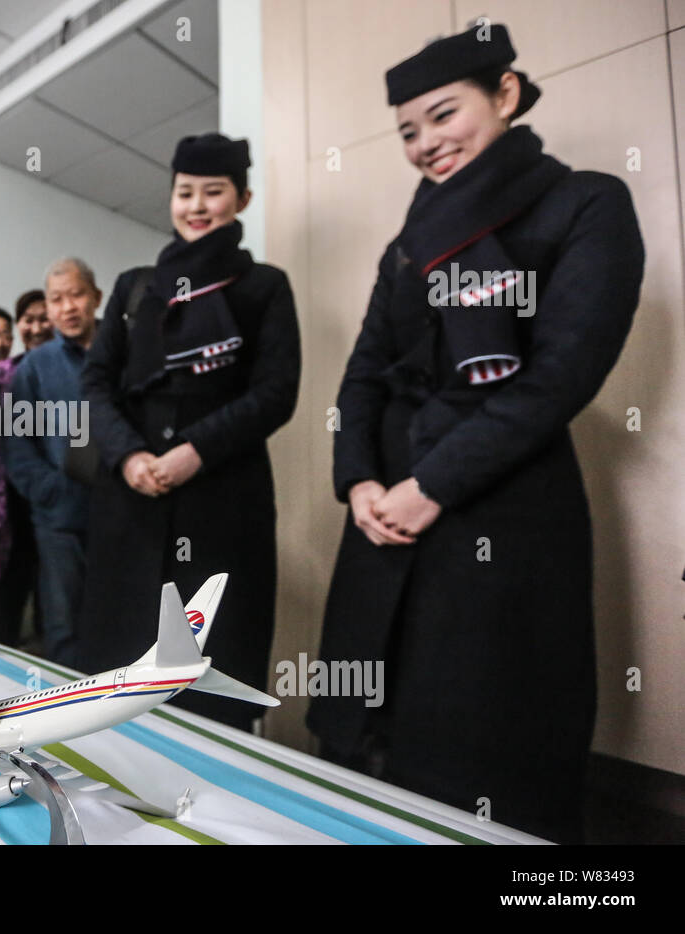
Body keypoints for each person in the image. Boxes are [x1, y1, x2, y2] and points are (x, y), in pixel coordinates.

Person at [306, 24, 644, 844]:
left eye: (443, 114)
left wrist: (433, 487)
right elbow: (362, 372)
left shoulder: (587, 202)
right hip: (383, 509)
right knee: (363, 742)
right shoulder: (410, 243)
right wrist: (358, 481)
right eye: (408, 131)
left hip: (500, 512)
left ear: (506, 94)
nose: (425, 144)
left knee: (484, 750)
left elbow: (560, 376)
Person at [80, 133, 300, 730]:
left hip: (223, 502)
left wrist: (193, 453)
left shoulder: (265, 287)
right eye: (185, 193)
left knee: (212, 664)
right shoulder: (134, 286)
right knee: (119, 661)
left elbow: (276, 393)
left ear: (242, 197)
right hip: (129, 503)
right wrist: (128, 456)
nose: (197, 205)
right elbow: (97, 382)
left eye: (214, 192)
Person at [4, 258, 101, 666]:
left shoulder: (124, 356)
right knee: (64, 627)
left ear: (96, 298)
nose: (68, 307)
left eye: (76, 295)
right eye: (57, 299)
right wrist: (50, 491)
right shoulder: (34, 368)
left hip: (123, 515)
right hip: (59, 519)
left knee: (123, 617)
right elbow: (14, 442)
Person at [0, 303, 41, 648]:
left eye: (6, 335)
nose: (0, 342)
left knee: (24, 568)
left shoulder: (20, 373)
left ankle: (16, 643)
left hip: (23, 486)